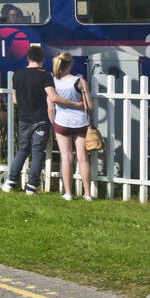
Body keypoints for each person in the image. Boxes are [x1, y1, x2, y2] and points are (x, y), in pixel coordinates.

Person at [2, 45, 59, 195]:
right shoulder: (45, 75)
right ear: (42, 59)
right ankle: (32, 186)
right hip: (41, 119)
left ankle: (11, 181)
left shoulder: (18, 74)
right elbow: (52, 96)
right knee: (37, 152)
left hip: (24, 118)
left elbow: (15, 100)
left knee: (22, 149)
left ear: (27, 58)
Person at [49, 52, 96, 201]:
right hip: (80, 122)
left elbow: (50, 108)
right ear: (70, 65)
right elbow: (90, 105)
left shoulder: (52, 83)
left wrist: (54, 125)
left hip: (62, 122)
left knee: (66, 158)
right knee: (82, 158)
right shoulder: (79, 81)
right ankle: (87, 193)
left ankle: (68, 193)